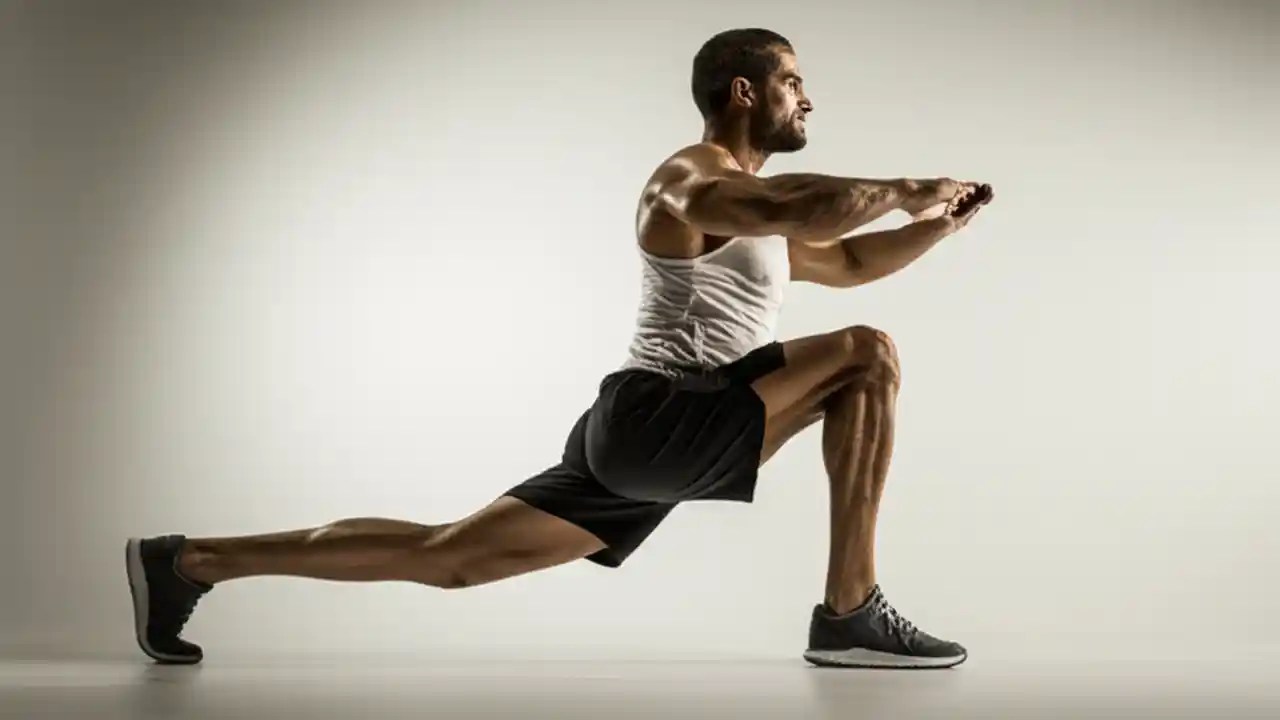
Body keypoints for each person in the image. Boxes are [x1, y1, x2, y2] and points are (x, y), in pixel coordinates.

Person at [125, 27, 993, 669]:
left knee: (450, 558)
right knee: (867, 355)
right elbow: (795, 210)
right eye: (794, 81)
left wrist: (936, 227)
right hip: (663, 418)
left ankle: (189, 560)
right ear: (742, 91)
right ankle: (849, 611)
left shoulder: (749, 211)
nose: (807, 98)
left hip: (649, 432)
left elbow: (843, 258)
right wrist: (907, 186)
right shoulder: (686, 180)